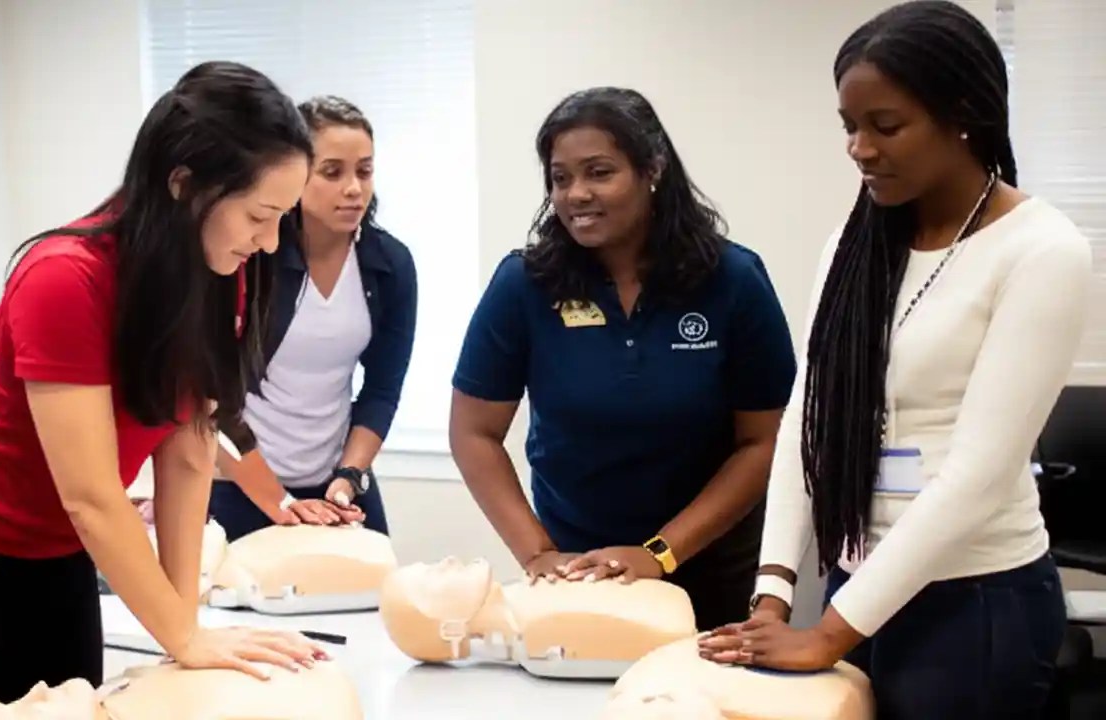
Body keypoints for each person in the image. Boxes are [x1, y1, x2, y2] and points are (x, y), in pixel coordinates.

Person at [0, 61, 331, 720]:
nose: (266, 244)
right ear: (184, 185)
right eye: (260, 216)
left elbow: (186, 449)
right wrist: (181, 637)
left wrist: (186, 628)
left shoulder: (214, 272)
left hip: (59, 563)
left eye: (281, 221)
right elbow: (90, 495)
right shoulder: (64, 280)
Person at [699, 2, 1091, 718]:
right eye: (849, 127)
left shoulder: (1043, 251)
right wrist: (775, 589)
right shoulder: (855, 247)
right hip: (852, 587)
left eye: (886, 126)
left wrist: (829, 634)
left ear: (964, 114)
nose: (860, 148)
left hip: (973, 601)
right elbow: (807, 422)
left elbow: (979, 475)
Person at [449, 87, 797, 631]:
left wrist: (660, 554)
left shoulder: (733, 280)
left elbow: (764, 441)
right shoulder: (525, 284)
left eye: (599, 172)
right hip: (577, 572)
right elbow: (473, 432)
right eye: (561, 178)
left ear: (651, 168)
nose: (576, 194)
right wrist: (537, 554)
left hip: (710, 571)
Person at [209, 95, 416, 540]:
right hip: (242, 483)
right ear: (296, 174)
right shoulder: (252, 256)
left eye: (364, 170)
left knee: (372, 601)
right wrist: (278, 500)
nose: (354, 188)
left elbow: (382, 390)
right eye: (332, 172)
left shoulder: (389, 265)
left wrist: (350, 476)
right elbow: (215, 401)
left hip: (335, 486)